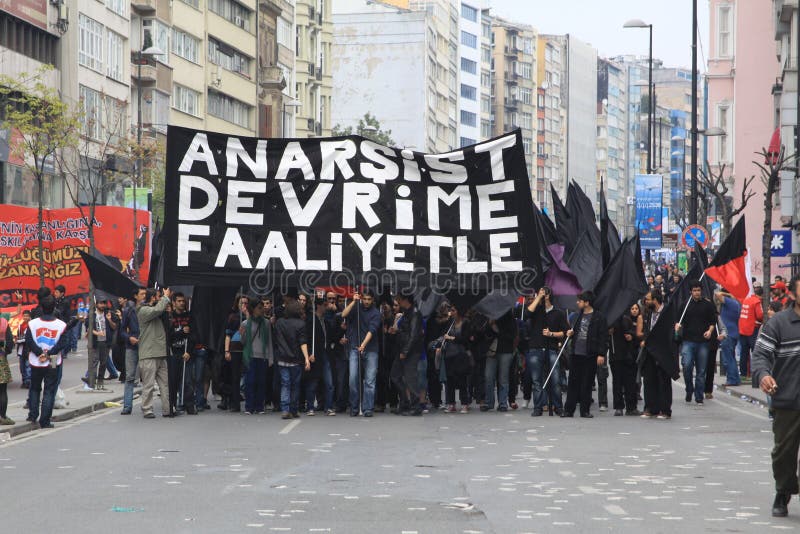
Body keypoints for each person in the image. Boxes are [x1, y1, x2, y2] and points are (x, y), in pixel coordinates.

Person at [751, 275, 800, 518]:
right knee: (784, 453)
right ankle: (783, 490)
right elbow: (760, 355)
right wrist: (763, 375)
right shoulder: (779, 324)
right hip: (788, 400)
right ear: (792, 294)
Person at [25, 296, 73, 429]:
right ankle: (45, 420)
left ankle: (33, 415)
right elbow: (63, 343)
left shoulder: (33, 323)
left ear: (41, 307)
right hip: (52, 360)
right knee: (49, 390)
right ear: (54, 308)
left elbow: (29, 340)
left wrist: (39, 353)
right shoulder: (61, 325)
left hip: (36, 360)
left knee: (35, 388)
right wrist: (49, 353)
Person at [563, 291, 608, 419]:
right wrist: (570, 333)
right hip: (576, 353)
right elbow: (574, 331)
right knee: (573, 382)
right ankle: (569, 410)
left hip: (590, 354)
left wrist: (601, 354)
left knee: (587, 383)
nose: (577, 302)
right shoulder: (577, 315)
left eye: (580, 300)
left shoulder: (599, 317)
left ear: (587, 302)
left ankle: (585, 410)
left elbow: (603, 337)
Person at [525, 287, 568, 417]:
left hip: (552, 349)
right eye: (541, 292)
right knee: (537, 380)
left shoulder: (558, 313)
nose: (544, 294)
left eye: (546, 292)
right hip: (535, 348)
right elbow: (526, 314)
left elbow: (566, 332)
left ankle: (558, 406)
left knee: (555, 380)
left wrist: (552, 334)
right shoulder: (536, 310)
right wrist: (538, 297)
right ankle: (538, 407)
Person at [675, 280, 717, 405]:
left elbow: (712, 322)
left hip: (703, 342)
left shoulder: (708, 305)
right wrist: (677, 326)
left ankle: (699, 396)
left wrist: (710, 331)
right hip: (688, 341)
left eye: (698, 290)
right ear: (690, 292)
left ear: (701, 291)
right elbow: (678, 321)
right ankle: (689, 388)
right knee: (687, 366)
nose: (697, 293)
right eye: (694, 290)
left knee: (701, 370)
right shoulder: (685, 305)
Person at [341, 289, 381, 417]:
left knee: (369, 381)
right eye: (365, 299)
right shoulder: (356, 308)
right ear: (361, 298)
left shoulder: (376, 313)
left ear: (372, 300)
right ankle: (354, 407)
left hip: (371, 349)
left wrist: (363, 345)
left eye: (369, 299)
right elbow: (343, 314)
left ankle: (367, 408)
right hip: (354, 347)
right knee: (353, 379)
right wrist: (354, 302)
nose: (367, 301)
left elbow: (372, 330)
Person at [639, 289, 676, 420]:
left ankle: (665, 410)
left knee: (663, 381)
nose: (646, 302)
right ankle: (650, 408)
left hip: (663, 351)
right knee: (649, 380)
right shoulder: (649, 313)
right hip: (650, 351)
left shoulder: (667, 312)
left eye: (648, 299)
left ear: (655, 300)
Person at [137, 288, 172, 419]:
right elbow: (157, 310)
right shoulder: (143, 310)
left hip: (160, 352)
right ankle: (147, 409)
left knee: (165, 384)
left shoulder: (158, 311)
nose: (160, 298)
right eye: (158, 296)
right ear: (152, 298)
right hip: (149, 354)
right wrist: (166, 298)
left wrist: (168, 311)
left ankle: (167, 409)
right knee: (149, 385)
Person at [274, 300, 310, 419]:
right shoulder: (301, 324)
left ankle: (285, 409)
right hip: (296, 360)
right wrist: (306, 358)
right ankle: (293, 409)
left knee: (285, 384)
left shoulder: (279, 322)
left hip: (282, 358)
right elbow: (303, 342)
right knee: (295, 385)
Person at [391, 293, 424, 416]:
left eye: (399, 299)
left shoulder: (415, 313)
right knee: (395, 375)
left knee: (410, 378)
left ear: (405, 300)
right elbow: (407, 332)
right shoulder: (406, 312)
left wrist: (405, 351)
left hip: (410, 351)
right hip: (402, 349)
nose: (397, 301)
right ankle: (405, 402)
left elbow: (414, 335)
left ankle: (416, 407)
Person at [438, 305, 473, 414]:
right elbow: (443, 334)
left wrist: (452, 338)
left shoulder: (466, 323)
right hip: (449, 354)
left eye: (453, 310)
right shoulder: (450, 322)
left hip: (461, 355)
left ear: (459, 311)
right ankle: (451, 404)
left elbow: (466, 339)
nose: (451, 312)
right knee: (450, 380)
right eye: (450, 310)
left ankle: (464, 404)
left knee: (462, 380)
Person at [241, 299, 273, 415]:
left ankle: (259, 406)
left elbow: (269, 341)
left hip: (263, 356)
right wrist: (242, 334)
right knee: (250, 381)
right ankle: (249, 406)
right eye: (259, 308)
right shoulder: (245, 323)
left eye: (262, 307)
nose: (262, 309)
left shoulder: (266, 323)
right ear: (253, 309)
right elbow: (243, 342)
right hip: (250, 355)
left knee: (261, 382)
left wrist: (270, 358)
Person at [610, 303, 642, 416]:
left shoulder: (628, 319)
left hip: (629, 355)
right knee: (617, 382)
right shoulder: (611, 320)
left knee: (630, 383)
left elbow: (636, 334)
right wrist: (609, 331)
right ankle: (618, 407)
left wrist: (631, 336)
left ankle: (631, 407)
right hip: (616, 355)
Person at [483, 310, 517, 412]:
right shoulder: (491, 315)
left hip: (505, 350)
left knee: (503, 378)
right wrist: (490, 324)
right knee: (488, 377)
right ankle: (489, 402)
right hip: (492, 350)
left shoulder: (510, 318)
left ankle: (503, 403)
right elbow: (485, 333)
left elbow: (512, 335)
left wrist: (497, 330)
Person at [222, 294, 249, 412]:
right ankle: (235, 403)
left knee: (249, 375)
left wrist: (247, 315)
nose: (244, 305)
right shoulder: (233, 317)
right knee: (235, 376)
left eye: (246, 303)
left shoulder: (251, 317)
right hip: (235, 348)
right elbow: (228, 335)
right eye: (241, 303)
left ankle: (250, 402)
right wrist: (226, 350)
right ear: (237, 304)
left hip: (247, 349)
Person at [169, 292, 194, 415]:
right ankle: (172, 406)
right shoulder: (170, 317)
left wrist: (189, 351)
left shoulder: (189, 317)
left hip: (185, 352)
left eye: (183, 301)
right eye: (179, 301)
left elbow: (193, 336)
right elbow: (168, 336)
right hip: (173, 352)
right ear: (174, 303)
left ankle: (189, 406)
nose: (182, 303)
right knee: (173, 381)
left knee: (188, 381)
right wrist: (181, 332)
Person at [121, 288, 143, 415]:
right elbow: (122, 330)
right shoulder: (128, 311)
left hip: (146, 346)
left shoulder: (149, 309)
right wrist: (129, 338)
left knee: (147, 377)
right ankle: (127, 406)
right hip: (132, 347)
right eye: (142, 294)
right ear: (136, 296)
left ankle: (147, 406)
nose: (144, 296)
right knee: (129, 376)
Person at [86, 299, 117, 391]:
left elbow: (114, 327)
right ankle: (92, 382)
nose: (103, 305)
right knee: (94, 362)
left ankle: (100, 382)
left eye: (104, 303)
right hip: (95, 342)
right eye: (101, 303)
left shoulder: (108, 313)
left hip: (106, 342)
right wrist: (97, 333)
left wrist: (109, 319)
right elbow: (89, 328)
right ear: (96, 304)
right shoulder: (92, 314)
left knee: (103, 363)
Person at [738, 284, 764, 379]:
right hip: (752, 329)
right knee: (755, 352)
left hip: (742, 329)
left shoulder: (747, 299)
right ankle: (755, 373)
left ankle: (743, 374)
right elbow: (760, 315)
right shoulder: (757, 302)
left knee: (744, 353)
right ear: (762, 295)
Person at [716, 290, 741, 387]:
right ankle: (736, 378)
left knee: (728, 359)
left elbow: (717, 294)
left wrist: (728, 294)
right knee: (732, 357)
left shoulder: (729, 302)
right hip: (734, 332)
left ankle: (732, 379)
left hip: (728, 333)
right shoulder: (736, 303)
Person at [0, 314, 14, 425]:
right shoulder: (3, 322)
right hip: (1, 359)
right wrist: (5, 352)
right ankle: (2, 416)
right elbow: (9, 343)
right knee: (2, 390)